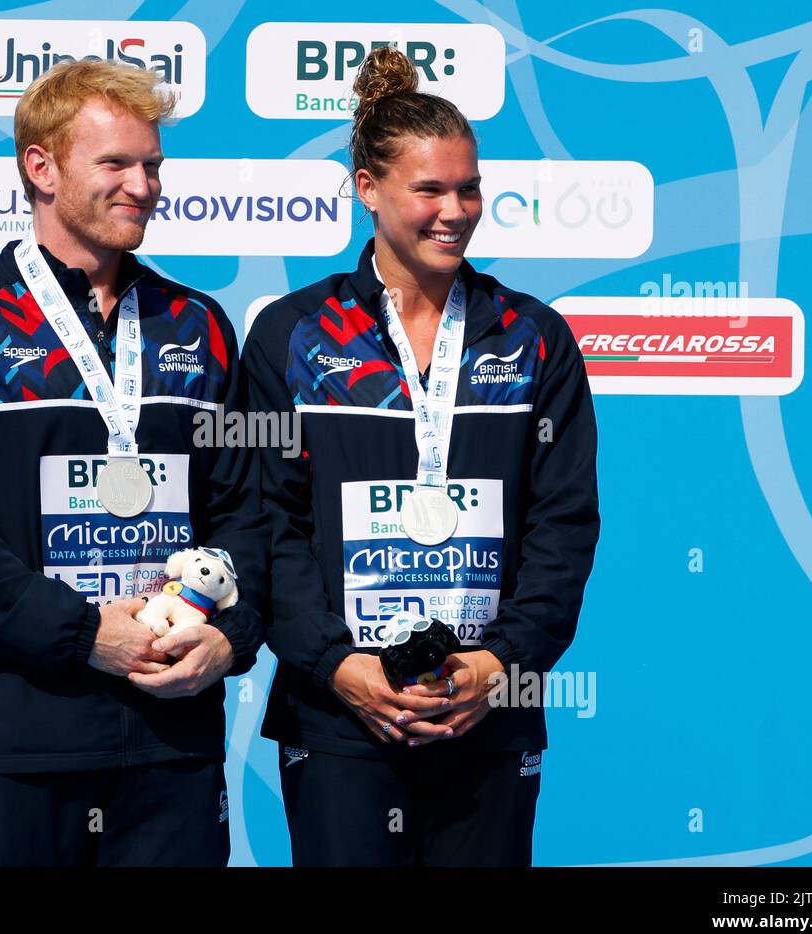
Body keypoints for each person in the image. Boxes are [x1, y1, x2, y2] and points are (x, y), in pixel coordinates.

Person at [0, 59, 267, 866]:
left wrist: (229, 637)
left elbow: (245, 515)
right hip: (15, 749)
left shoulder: (198, 326)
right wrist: (87, 633)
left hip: (173, 745)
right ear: (41, 168)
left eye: (153, 165)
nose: (144, 185)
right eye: (117, 164)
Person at [243, 47, 600, 866]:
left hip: (489, 708)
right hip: (339, 714)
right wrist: (336, 665)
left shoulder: (533, 337)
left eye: (469, 187)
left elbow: (564, 522)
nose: (456, 210)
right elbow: (268, 521)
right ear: (367, 189)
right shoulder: (292, 335)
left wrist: (499, 661)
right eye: (430, 189)